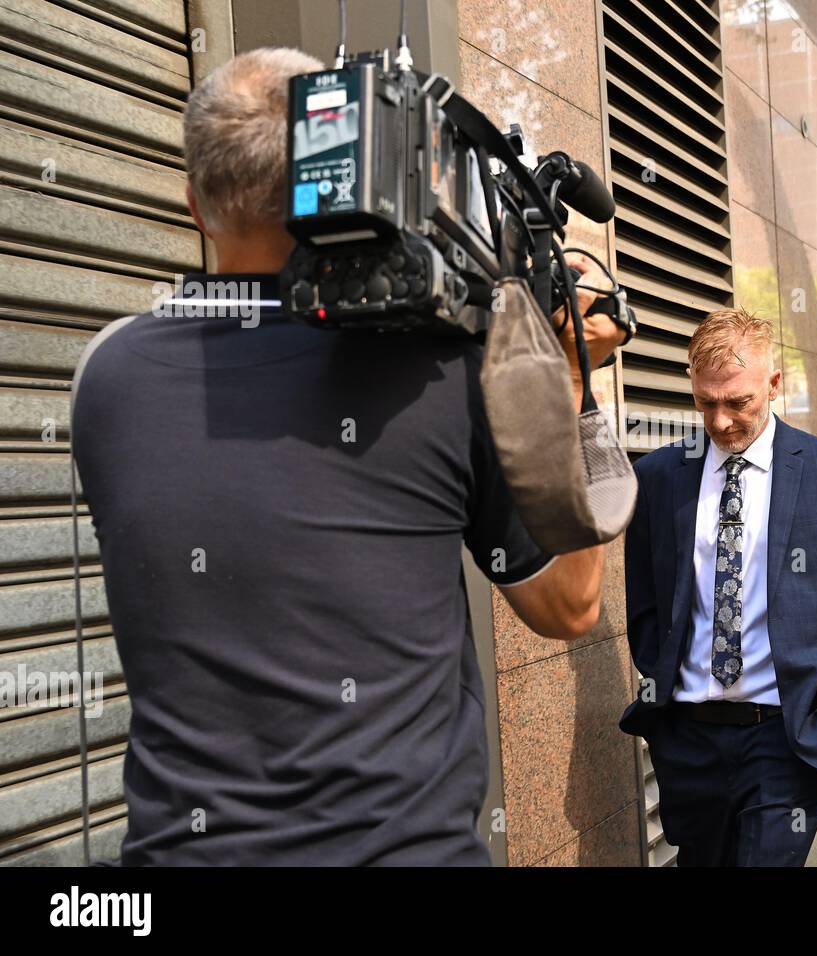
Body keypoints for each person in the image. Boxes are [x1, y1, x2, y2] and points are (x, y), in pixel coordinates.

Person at [70, 48, 625, 865]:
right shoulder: (444, 373)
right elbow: (569, 606)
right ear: (344, 181)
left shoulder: (105, 375)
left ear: (192, 203)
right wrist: (563, 377)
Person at [620, 308, 817, 866]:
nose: (719, 421)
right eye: (705, 401)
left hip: (786, 741)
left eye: (737, 401)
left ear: (773, 384)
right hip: (688, 741)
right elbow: (646, 606)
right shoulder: (659, 477)